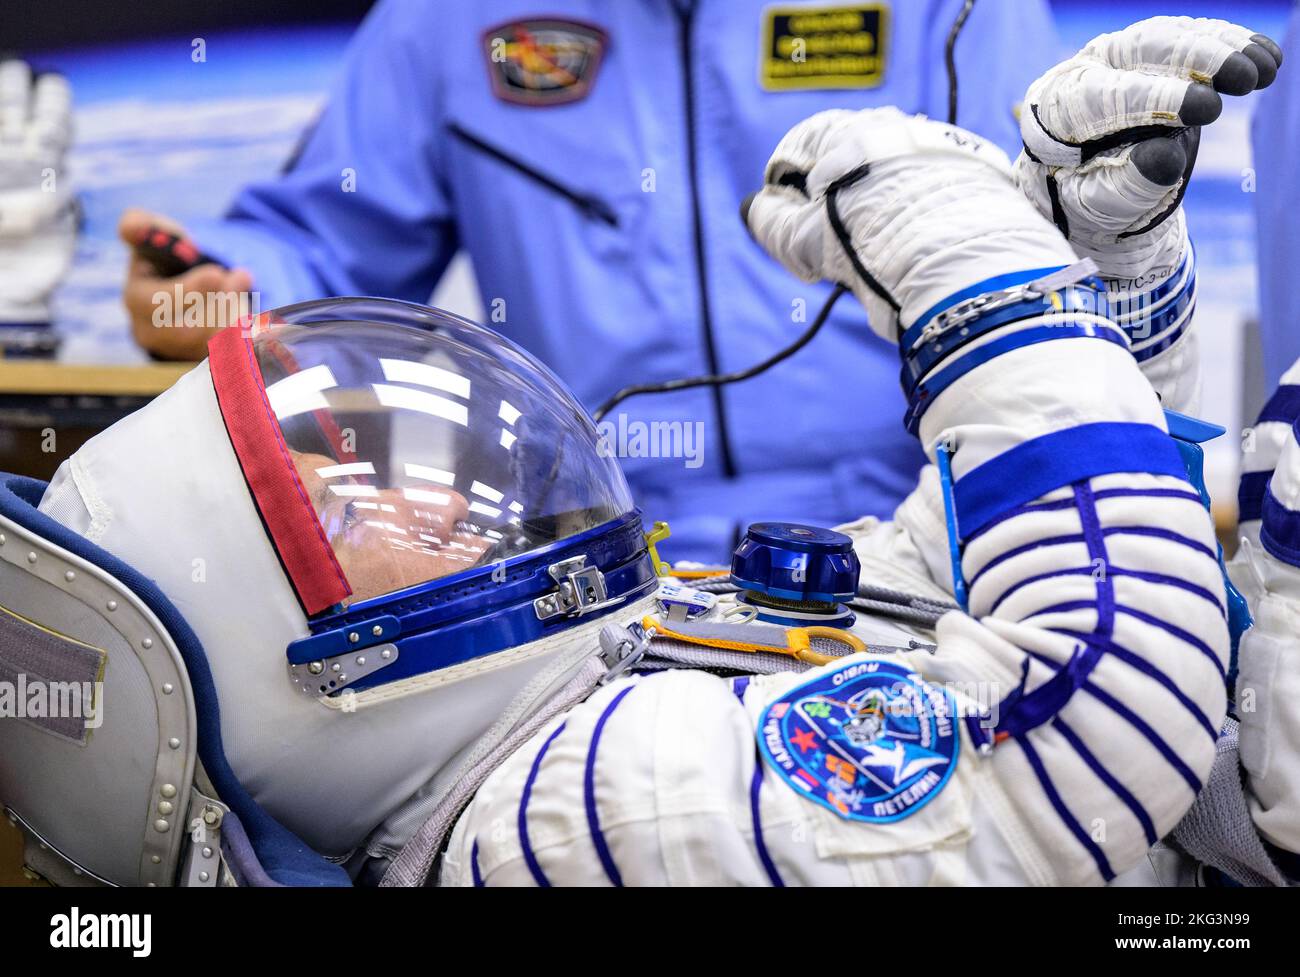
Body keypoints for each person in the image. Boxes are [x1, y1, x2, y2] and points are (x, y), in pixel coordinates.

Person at [0, 16, 1290, 888]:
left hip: (776, 537)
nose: (421, 484)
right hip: (739, 514)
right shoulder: (569, 809)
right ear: (313, 662)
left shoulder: (564, 709)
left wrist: (1098, 282)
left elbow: (1055, 582)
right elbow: (1094, 727)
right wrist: (991, 290)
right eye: (347, 502)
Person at [108, 0, 1062, 563]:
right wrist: (216, 292)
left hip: (925, 543)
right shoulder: (447, 21)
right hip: (582, 563)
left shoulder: (964, 12)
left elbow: (1052, 254)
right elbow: (322, 243)